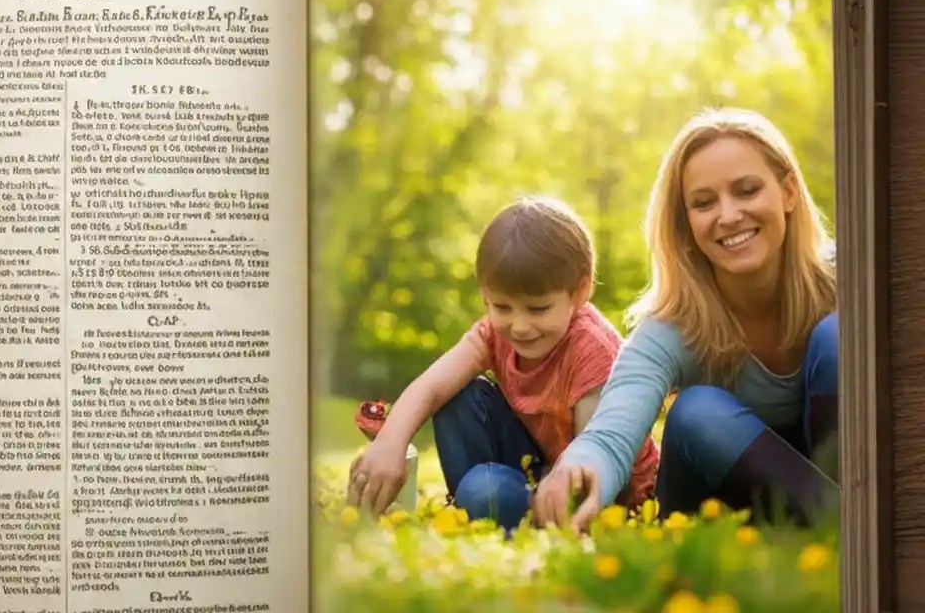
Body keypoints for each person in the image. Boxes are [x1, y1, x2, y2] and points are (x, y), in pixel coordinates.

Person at [531, 108, 839, 533]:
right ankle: (849, 526)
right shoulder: (672, 326)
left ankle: (849, 524)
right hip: (720, 513)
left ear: (788, 192)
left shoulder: (850, 279)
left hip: (835, 483)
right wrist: (580, 465)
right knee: (696, 411)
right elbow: (614, 424)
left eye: (747, 191)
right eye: (704, 203)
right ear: (686, 223)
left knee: (839, 337)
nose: (728, 215)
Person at [345, 196, 660, 529]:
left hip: (606, 490)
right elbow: (431, 386)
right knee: (460, 396)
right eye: (502, 307)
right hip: (540, 470)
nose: (520, 326)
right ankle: (477, 503)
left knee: (487, 492)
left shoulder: (591, 347)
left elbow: (595, 452)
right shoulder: (493, 335)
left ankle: (489, 504)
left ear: (579, 293)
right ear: (485, 296)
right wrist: (388, 445)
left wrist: (559, 497)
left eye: (538, 309)